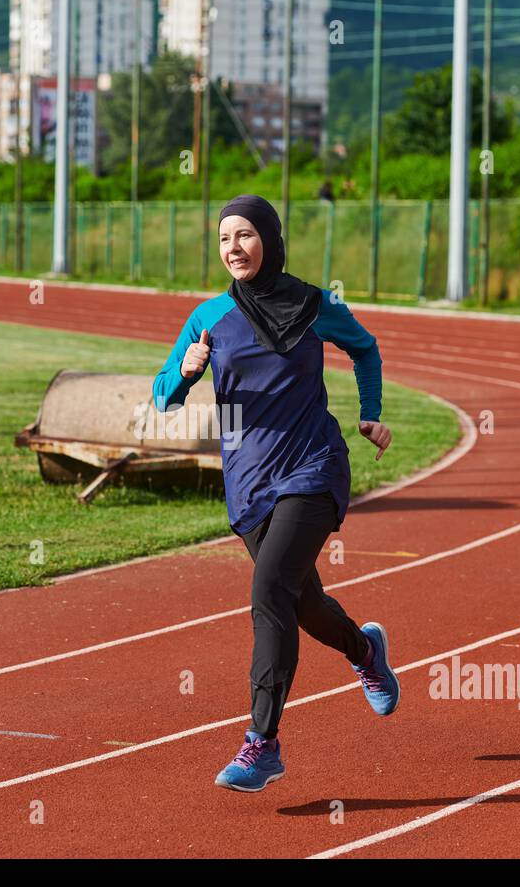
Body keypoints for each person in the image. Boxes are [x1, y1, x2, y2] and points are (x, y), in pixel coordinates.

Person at [152, 194, 400, 792]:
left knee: (268, 591)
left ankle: (261, 743)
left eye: (244, 235)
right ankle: (365, 651)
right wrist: (186, 373)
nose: (233, 248)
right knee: (300, 603)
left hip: (313, 467)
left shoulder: (316, 304)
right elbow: (162, 396)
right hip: (248, 479)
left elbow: (364, 345)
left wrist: (370, 413)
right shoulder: (207, 317)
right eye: (222, 239)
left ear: (269, 238)